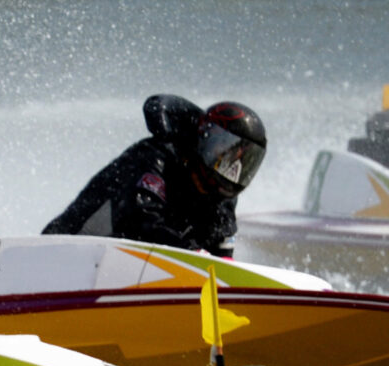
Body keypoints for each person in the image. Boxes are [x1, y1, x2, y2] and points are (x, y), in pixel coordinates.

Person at [44, 95, 266, 256]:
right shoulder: (157, 156)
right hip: (62, 257)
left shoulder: (222, 199)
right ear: (206, 139)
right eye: (226, 155)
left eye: (242, 164)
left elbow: (222, 258)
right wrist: (192, 252)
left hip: (127, 277)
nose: (231, 170)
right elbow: (141, 220)